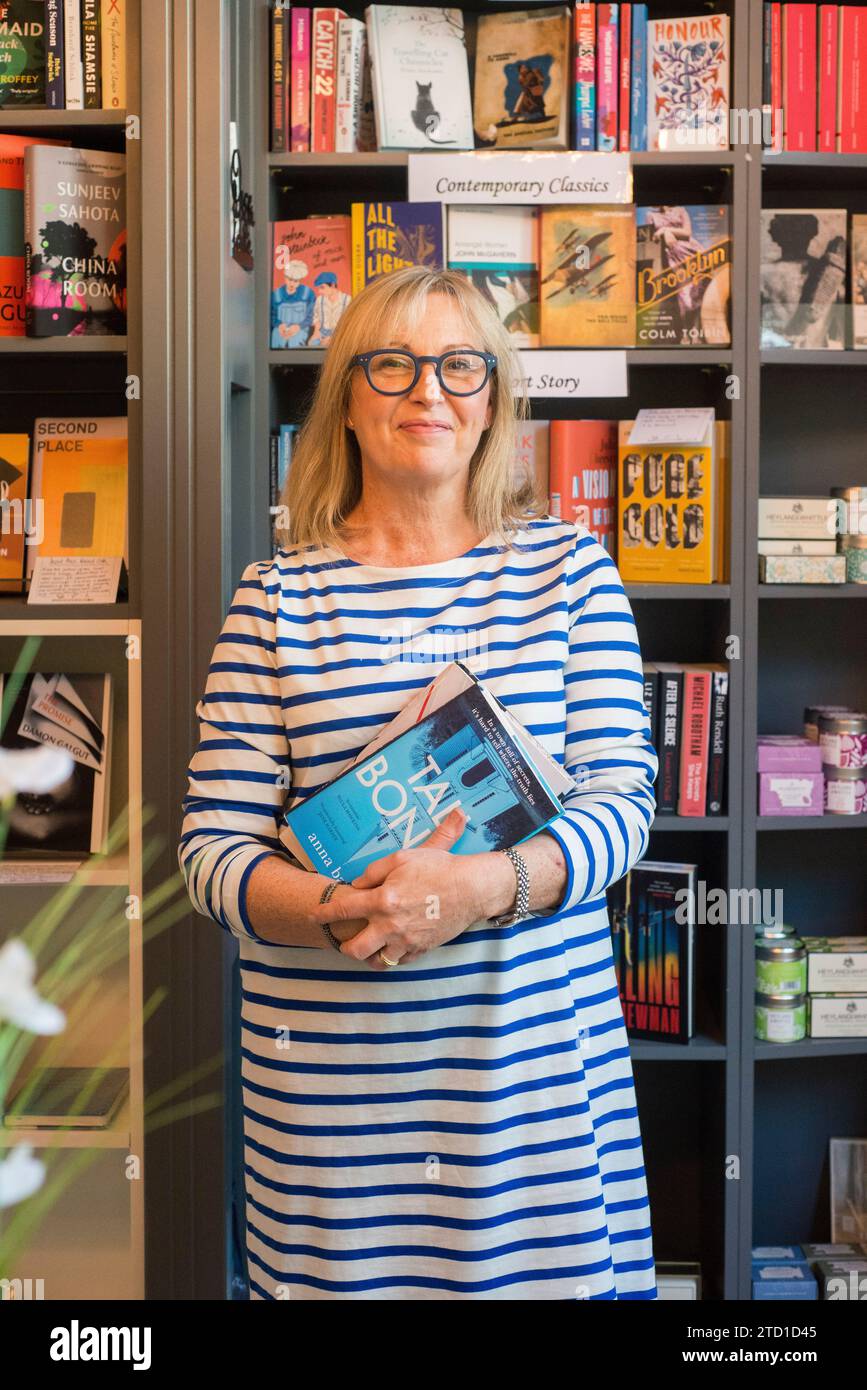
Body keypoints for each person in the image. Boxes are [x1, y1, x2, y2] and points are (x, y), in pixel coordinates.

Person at [178, 265, 659, 1300]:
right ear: (347, 401)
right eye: (391, 365)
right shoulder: (273, 597)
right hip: (329, 1122)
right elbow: (211, 853)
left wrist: (476, 892)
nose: (427, 391)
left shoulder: (572, 574)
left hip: (528, 1106)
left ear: (492, 401)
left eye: (458, 366)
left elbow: (623, 808)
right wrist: (350, 908)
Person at [270, 257, 316, 348]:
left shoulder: (308, 293)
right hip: (281, 330)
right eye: (289, 279)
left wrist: (298, 327)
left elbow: (311, 316)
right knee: (276, 339)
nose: (292, 284)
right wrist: (279, 325)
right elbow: (272, 315)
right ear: (285, 277)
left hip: (300, 329)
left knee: (296, 342)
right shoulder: (276, 294)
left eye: (296, 281)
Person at [309, 270, 351, 345]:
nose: (319, 291)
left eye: (322, 287)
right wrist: (316, 335)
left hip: (341, 335)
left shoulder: (347, 300)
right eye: (319, 288)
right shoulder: (319, 300)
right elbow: (316, 319)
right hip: (322, 335)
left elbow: (348, 324)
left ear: (332, 285)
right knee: (311, 344)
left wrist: (332, 338)